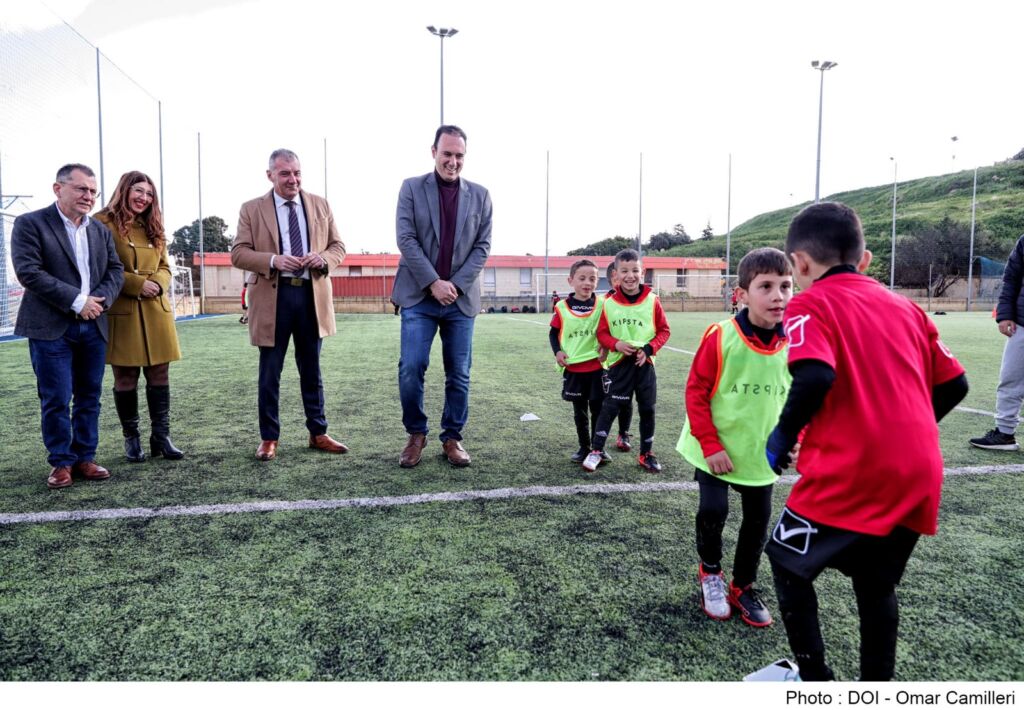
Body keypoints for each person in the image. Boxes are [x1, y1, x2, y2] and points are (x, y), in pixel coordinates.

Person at [764, 202, 968, 681]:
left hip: (854, 471)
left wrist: (781, 438)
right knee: (876, 585)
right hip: (918, 472)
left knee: (786, 563)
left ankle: (816, 683)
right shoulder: (907, 307)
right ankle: (877, 688)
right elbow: (955, 385)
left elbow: (814, 375)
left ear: (800, 264)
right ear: (865, 259)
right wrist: (903, 435)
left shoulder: (810, 302)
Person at [676, 247, 794, 627]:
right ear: (741, 294)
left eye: (786, 286)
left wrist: (797, 438)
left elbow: (800, 397)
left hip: (760, 454)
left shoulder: (796, 340)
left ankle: (743, 586)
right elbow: (696, 391)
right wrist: (710, 445)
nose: (778, 295)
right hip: (715, 449)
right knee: (714, 510)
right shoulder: (721, 335)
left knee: (758, 521)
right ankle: (711, 573)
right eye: (766, 286)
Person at [11, 164, 125, 489]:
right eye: (81, 189)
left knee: (89, 396)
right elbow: (29, 272)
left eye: (92, 191)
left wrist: (99, 301)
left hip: (94, 325)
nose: (88, 196)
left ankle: (85, 457)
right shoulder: (30, 223)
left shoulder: (100, 231)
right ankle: (61, 462)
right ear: (58, 189)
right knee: (56, 398)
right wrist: (78, 301)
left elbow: (115, 271)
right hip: (50, 328)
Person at [230, 149, 348, 461]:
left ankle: (318, 432)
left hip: (311, 296)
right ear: (270, 175)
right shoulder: (251, 209)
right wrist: (273, 259)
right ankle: (269, 438)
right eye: (284, 174)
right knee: (270, 372)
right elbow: (238, 253)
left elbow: (339, 247)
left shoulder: (320, 205)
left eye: (296, 173)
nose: (292, 179)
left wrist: (322, 258)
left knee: (312, 370)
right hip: (273, 297)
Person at [392, 125, 493, 468]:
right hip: (419, 297)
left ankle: (452, 437)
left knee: (459, 373)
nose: (452, 161)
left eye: (459, 155)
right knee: (411, 367)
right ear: (433, 151)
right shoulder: (411, 188)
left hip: (460, 301)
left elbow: (483, 248)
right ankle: (416, 434)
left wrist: (455, 285)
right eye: (447, 153)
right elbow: (406, 239)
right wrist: (434, 282)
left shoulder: (480, 195)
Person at [94, 171, 183, 463]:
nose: (143, 198)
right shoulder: (101, 223)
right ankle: (131, 439)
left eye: (148, 194)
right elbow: (100, 267)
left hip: (156, 310)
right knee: (126, 376)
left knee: (160, 372)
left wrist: (157, 282)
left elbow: (166, 267)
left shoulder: (153, 226)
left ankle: (161, 436)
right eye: (138, 191)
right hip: (123, 311)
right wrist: (135, 284)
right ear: (124, 190)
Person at [583, 249, 671, 473]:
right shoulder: (608, 303)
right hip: (619, 364)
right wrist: (616, 344)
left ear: (642, 273)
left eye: (635, 270)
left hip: (644, 364)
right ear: (616, 274)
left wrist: (649, 349)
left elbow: (664, 330)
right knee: (611, 406)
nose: (630, 275)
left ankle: (646, 454)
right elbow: (602, 334)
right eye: (624, 271)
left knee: (647, 409)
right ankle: (596, 450)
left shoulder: (653, 301)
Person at [550, 259, 609, 464]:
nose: (587, 283)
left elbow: (608, 330)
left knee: (599, 409)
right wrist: (557, 352)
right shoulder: (562, 307)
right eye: (582, 278)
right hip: (574, 367)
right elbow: (553, 332)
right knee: (580, 411)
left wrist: (606, 345)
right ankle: (584, 447)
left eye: (592, 278)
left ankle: (598, 449)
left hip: (597, 366)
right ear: (571, 280)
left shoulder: (603, 304)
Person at [969, 233, 1024, 450]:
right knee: (1010, 379)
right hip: (1022, 322)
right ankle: (1004, 433)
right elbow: (1011, 278)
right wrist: (1004, 314)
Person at [604, 261, 634, 453]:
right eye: (618, 277)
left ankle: (623, 433)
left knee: (626, 399)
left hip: (626, 361)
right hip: (604, 362)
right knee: (605, 401)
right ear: (612, 278)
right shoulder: (604, 302)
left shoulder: (636, 301)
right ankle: (598, 436)